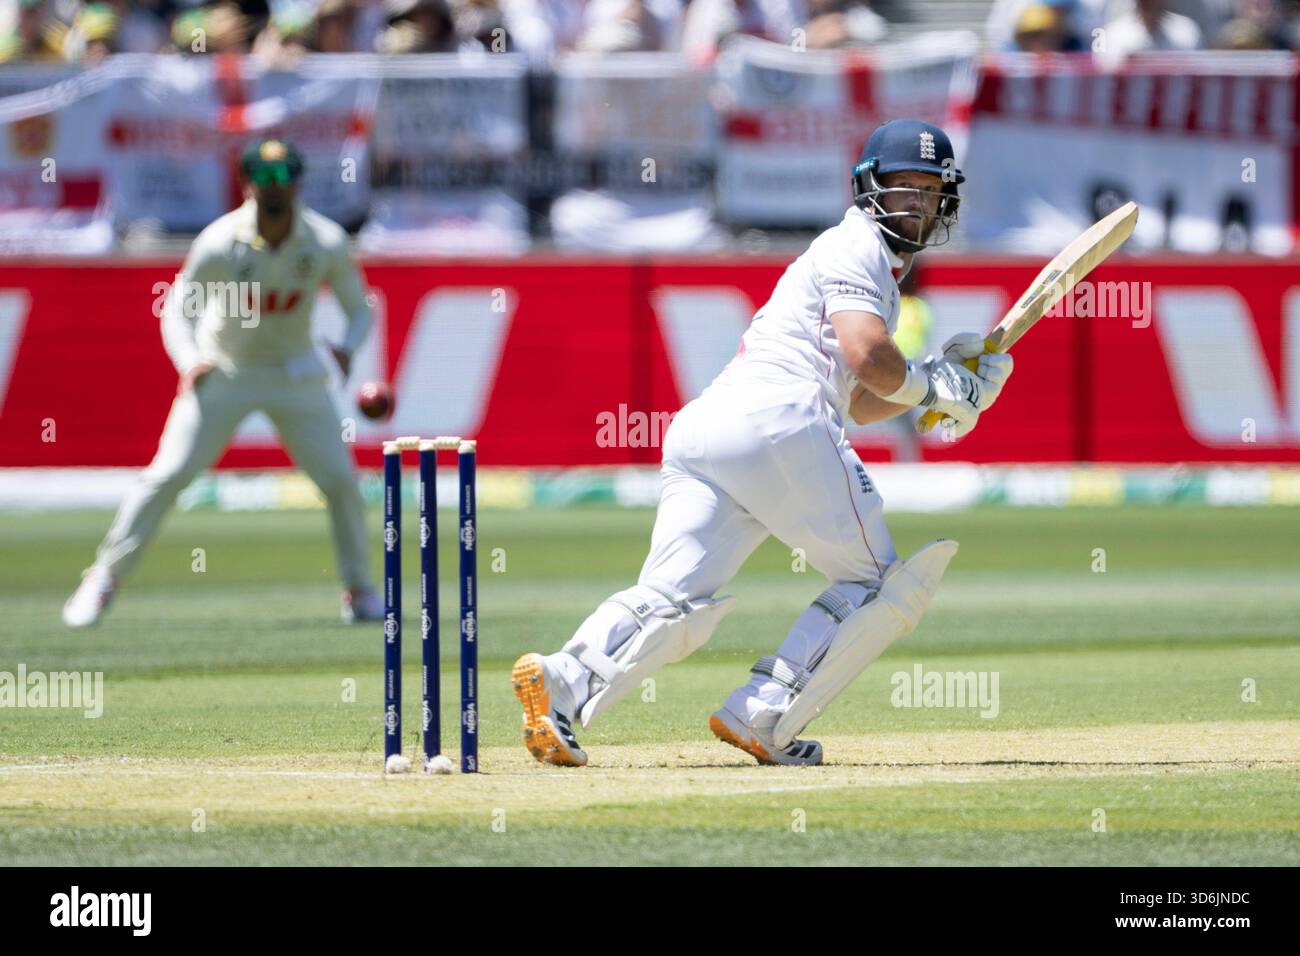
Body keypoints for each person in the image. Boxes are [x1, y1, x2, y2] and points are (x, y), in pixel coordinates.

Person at [510, 119, 1014, 767]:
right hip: (782, 416)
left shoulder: (870, 267)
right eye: (901, 187)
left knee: (675, 599)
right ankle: (765, 715)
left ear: (946, 200)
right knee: (881, 585)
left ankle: (563, 683)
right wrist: (932, 385)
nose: (914, 203)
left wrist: (943, 394)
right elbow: (870, 359)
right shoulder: (856, 245)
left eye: (927, 190)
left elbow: (861, 399)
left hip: (712, 427)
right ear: (868, 189)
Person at [62, 139, 383, 628]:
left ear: (298, 181)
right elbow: (179, 307)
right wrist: (190, 360)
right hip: (226, 368)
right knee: (167, 475)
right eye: (264, 177)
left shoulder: (324, 241)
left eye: (283, 177)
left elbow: (360, 308)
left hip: (295, 372)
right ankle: (102, 579)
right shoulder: (219, 241)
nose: (274, 187)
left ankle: (359, 591)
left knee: (341, 482)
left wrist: (346, 347)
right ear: (247, 181)